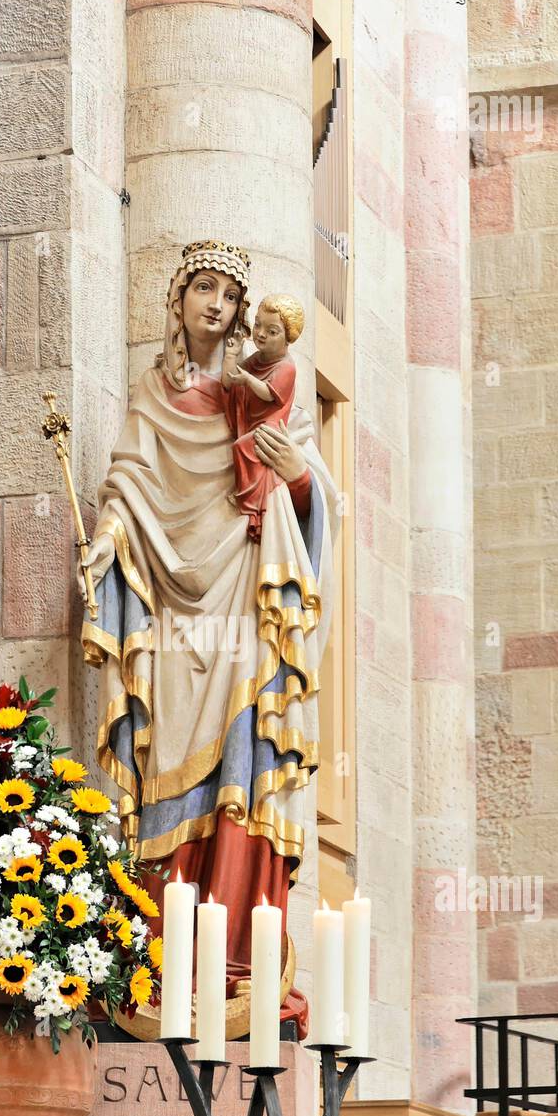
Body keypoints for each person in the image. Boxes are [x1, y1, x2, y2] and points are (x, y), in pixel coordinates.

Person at [77, 240, 341, 1035]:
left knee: (245, 761)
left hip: (244, 576)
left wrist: (295, 472)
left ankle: (232, 964)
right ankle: (159, 959)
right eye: (203, 288)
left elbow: (311, 497)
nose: (216, 305)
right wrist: (107, 539)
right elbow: (126, 480)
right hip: (168, 604)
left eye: (229, 294)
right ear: (178, 296)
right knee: (163, 769)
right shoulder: (151, 395)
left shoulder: (256, 392)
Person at [221, 294, 307, 542]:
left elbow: (269, 394)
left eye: (271, 331)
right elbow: (228, 382)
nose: (260, 334)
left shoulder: (286, 367)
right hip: (251, 423)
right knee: (241, 446)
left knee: (243, 447)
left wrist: (247, 379)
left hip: (270, 427)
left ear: (287, 338)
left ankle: (252, 505)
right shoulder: (256, 360)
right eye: (257, 325)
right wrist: (230, 356)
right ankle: (248, 498)